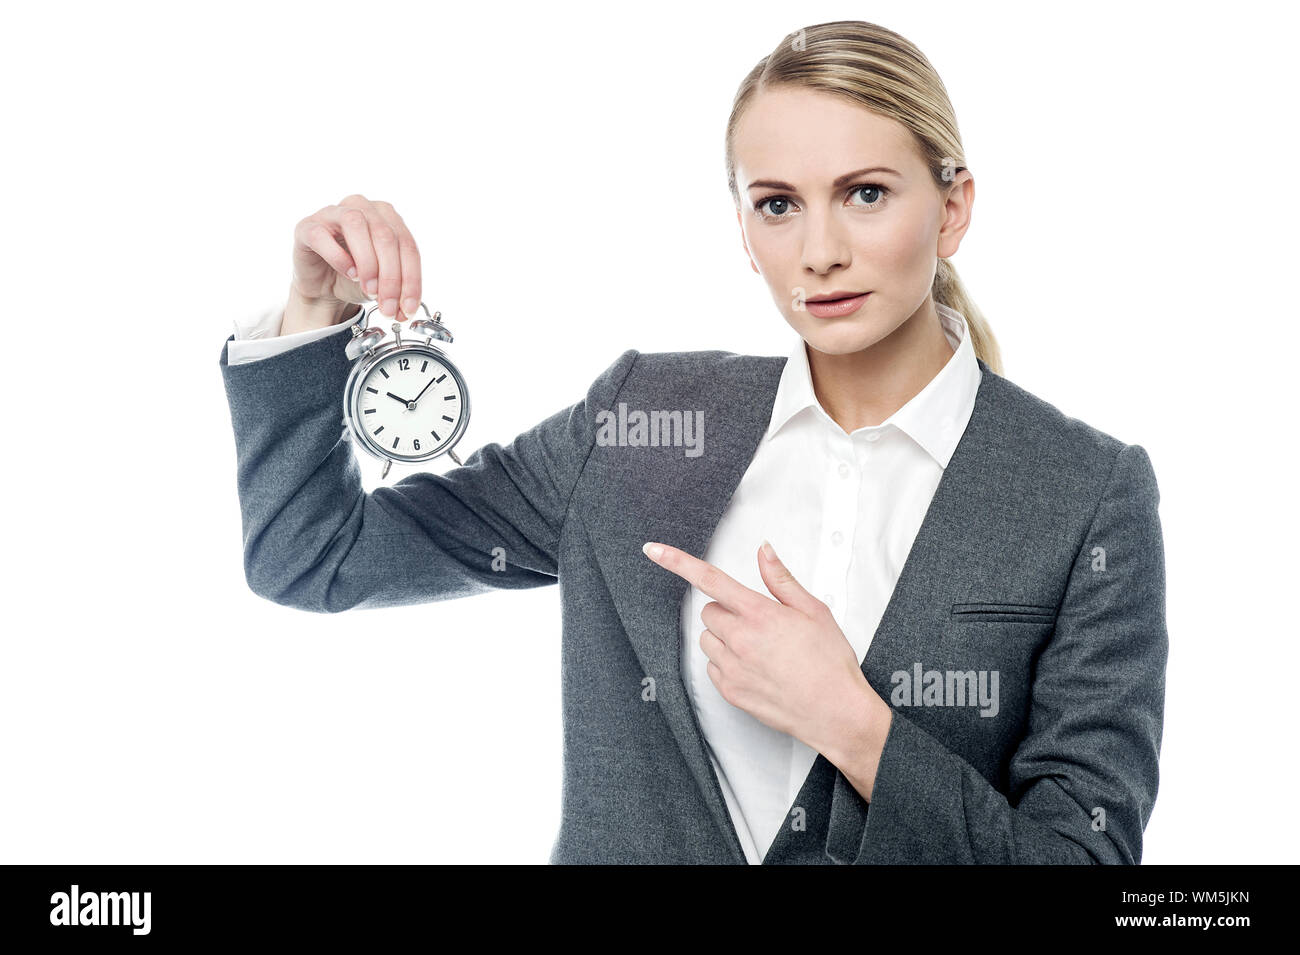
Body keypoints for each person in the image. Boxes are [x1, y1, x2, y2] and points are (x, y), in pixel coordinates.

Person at [219, 20, 1167, 864]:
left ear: (953, 208)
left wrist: (856, 726)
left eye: (867, 193)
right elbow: (311, 555)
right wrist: (316, 311)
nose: (820, 251)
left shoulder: (1084, 490)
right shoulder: (641, 425)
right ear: (743, 229)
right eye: (778, 204)